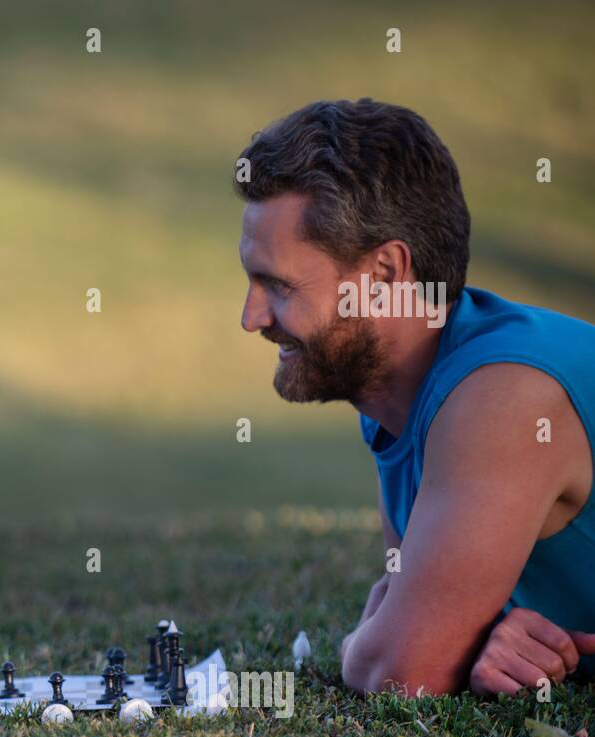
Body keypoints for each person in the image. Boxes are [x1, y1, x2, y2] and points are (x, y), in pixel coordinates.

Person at [234, 98, 595, 697]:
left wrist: (362, 643)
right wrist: (483, 637)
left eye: (278, 285)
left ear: (384, 276)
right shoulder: (397, 400)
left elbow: (399, 666)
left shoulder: (503, 396)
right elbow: (427, 618)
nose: (251, 317)